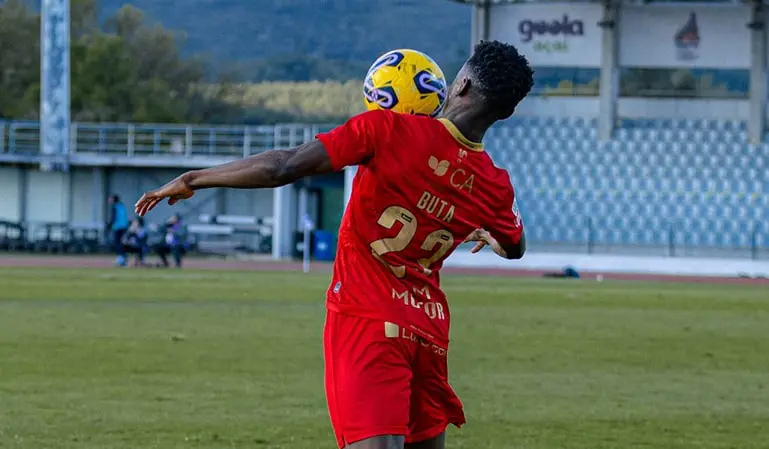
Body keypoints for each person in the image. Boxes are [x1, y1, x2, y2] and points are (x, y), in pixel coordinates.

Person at [136, 40, 532, 449]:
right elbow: (515, 246)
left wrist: (193, 178)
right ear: (506, 110)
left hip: (368, 318)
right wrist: (480, 231)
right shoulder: (495, 185)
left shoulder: (386, 129)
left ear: (462, 84)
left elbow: (283, 166)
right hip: (428, 330)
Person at [107, 194, 130, 266]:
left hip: (117, 227)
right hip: (124, 226)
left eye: (110, 198)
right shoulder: (122, 206)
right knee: (121, 243)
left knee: (117, 243)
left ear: (114, 199)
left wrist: (109, 225)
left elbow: (113, 218)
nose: (109, 200)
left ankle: (121, 258)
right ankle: (123, 257)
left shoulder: (114, 207)